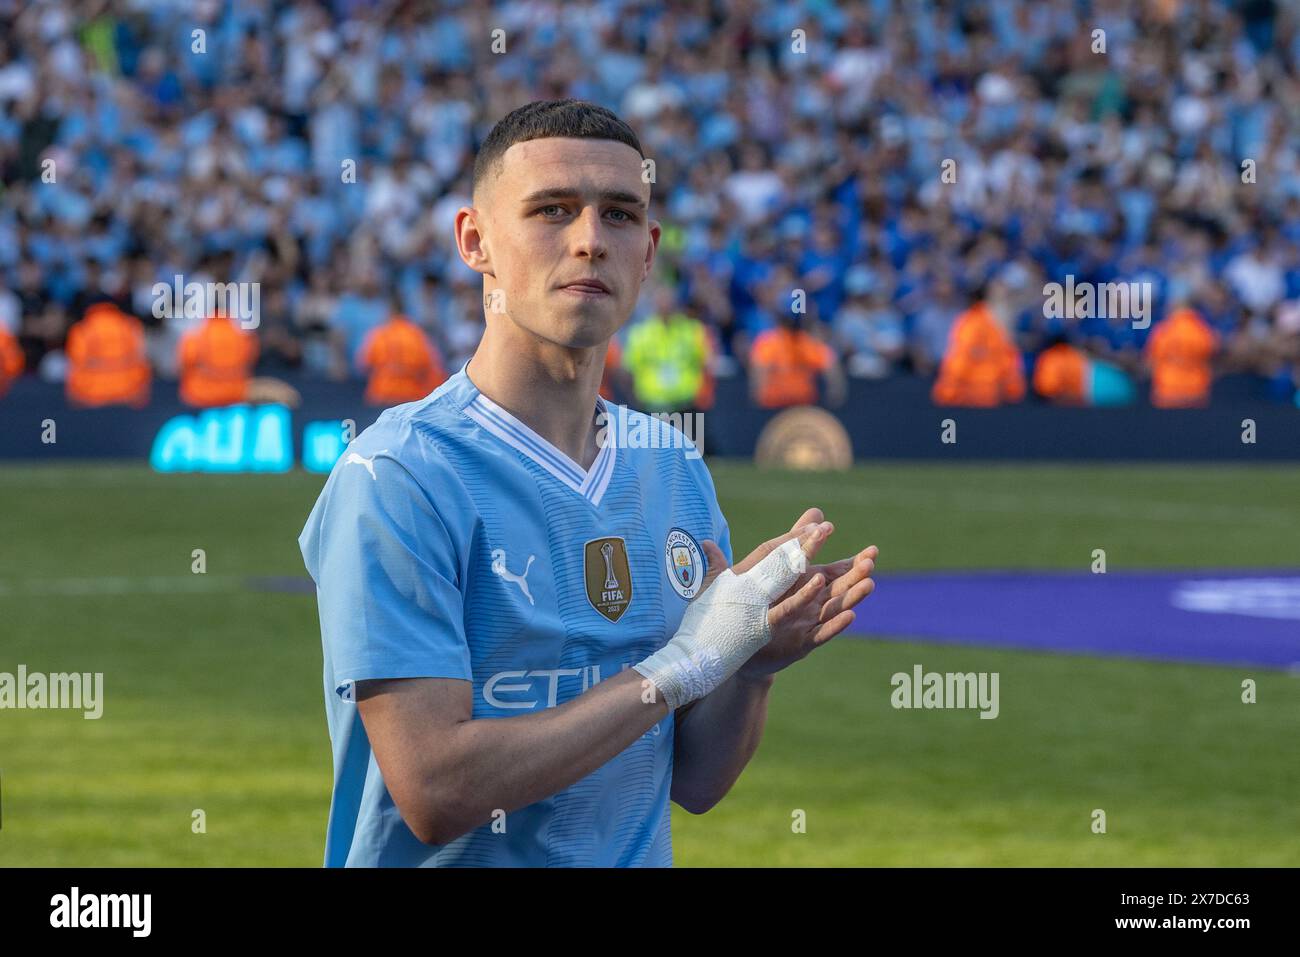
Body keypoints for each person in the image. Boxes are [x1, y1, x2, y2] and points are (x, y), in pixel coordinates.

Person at [298, 100, 879, 868]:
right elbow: (435, 791)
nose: (588, 241)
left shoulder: (672, 466)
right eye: (552, 211)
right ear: (476, 242)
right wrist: (678, 668)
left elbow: (697, 781)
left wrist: (752, 664)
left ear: (648, 250)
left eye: (618, 215)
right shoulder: (400, 474)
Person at [931, 288, 1026, 407]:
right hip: (990, 394)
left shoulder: (969, 321)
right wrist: (1011, 389)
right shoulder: (993, 323)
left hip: (968, 395)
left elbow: (961, 357)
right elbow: (1006, 359)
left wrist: (947, 392)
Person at [749, 312, 845, 409]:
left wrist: (758, 393)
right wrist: (835, 393)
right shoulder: (805, 342)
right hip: (779, 403)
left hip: (795, 404)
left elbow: (759, 370)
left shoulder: (771, 342)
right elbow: (830, 365)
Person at [65, 302, 152, 408]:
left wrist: (74, 396)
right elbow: (142, 358)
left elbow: (76, 363)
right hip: (129, 395)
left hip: (90, 397)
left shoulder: (81, 330)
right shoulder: (131, 326)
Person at [357, 311, 447, 406]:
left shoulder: (378, 333)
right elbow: (431, 366)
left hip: (383, 393)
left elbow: (363, 365)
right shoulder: (417, 334)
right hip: (411, 395)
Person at [177, 311, 259, 407]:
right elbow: (252, 359)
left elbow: (184, 363)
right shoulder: (241, 334)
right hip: (236, 395)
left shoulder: (195, 334)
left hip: (200, 396)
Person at [1144, 304, 1218, 408]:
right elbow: (1213, 357)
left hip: (1167, 390)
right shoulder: (1203, 330)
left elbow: (1151, 361)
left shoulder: (1163, 330)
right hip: (1196, 390)